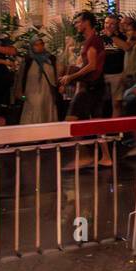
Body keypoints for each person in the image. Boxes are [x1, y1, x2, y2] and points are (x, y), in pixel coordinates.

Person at [59, 10, 112, 166]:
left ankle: (83, 156)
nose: (76, 25)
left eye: (78, 22)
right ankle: (106, 157)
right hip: (95, 85)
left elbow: (91, 65)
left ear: (86, 22)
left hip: (90, 86)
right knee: (96, 121)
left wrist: (71, 77)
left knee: (72, 120)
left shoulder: (92, 41)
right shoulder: (92, 40)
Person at [15, 36, 59, 126]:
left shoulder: (50, 58)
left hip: (47, 90)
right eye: (36, 45)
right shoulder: (28, 60)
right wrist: (19, 90)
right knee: (34, 108)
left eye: (41, 44)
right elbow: (21, 75)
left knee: (46, 107)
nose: (39, 47)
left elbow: (56, 73)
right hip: (31, 90)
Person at [101, 14, 127, 114]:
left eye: (112, 24)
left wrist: (111, 36)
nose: (108, 26)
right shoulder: (100, 38)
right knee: (102, 103)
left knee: (116, 103)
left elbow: (126, 47)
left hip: (117, 74)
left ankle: (116, 128)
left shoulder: (121, 37)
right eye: (106, 23)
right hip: (103, 74)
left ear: (117, 25)